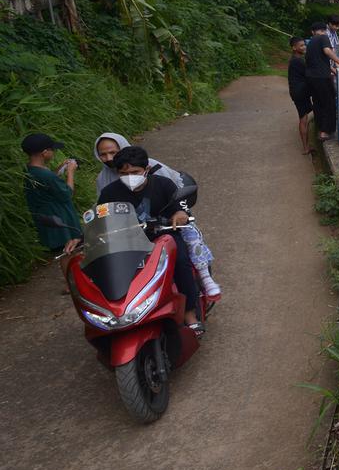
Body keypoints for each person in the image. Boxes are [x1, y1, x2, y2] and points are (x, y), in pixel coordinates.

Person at [93, 133, 220, 297]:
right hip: (129, 236)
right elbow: (101, 213)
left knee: (182, 257)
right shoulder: (107, 187)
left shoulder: (160, 177)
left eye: (113, 152)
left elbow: (177, 197)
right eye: (103, 154)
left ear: (146, 169)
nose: (108, 157)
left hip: (165, 229)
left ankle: (196, 297)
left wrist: (180, 212)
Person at [98, 146, 204, 335]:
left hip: (164, 236)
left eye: (135, 172)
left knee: (180, 262)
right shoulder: (109, 193)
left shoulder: (164, 184)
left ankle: (189, 313)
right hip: (128, 242)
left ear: (146, 169)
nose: (129, 177)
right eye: (123, 173)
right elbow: (101, 220)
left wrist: (180, 214)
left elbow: (181, 208)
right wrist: (83, 238)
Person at [22, 133, 82, 254]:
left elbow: (47, 184)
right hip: (61, 222)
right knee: (68, 253)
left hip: (47, 221)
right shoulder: (47, 175)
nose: (53, 152)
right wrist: (70, 172)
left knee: (62, 252)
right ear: (45, 153)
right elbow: (67, 194)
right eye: (52, 150)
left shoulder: (29, 170)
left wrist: (58, 170)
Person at [305, 21, 339, 141]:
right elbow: (327, 51)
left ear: (312, 31)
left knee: (318, 103)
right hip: (322, 77)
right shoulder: (323, 37)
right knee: (328, 103)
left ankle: (320, 128)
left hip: (311, 77)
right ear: (325, 30)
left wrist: (333, 70)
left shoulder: (310, 42)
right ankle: (325, 132)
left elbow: (320, 60)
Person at [287, 36, 313, 154]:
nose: (304, 47)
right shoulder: (297, 61)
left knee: (305, 118)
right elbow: (309, 73)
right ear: (294, 47)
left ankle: (307, 146)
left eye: (304, 45)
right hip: (300, 92)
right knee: (303, 119)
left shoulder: (295, 59)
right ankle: (305, 148)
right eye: (301, 45)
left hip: (299, 91)